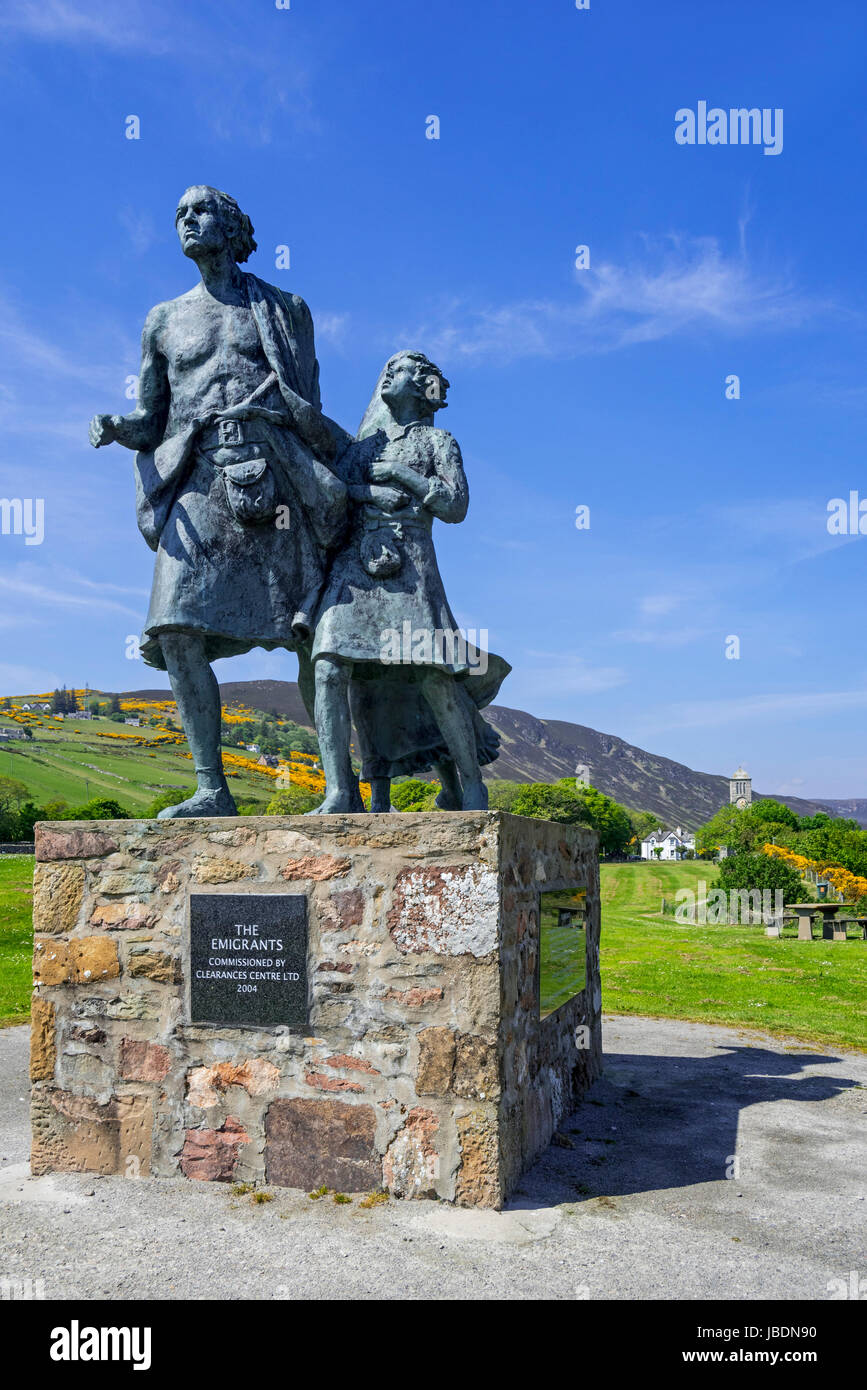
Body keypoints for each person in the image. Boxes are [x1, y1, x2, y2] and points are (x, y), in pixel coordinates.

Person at [89, 186, 345, 817]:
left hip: (275, 477)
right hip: (198, 479)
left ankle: (341, 789)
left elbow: (307, 401)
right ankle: (212, 788)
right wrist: (121, 427)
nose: (186, 221)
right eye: (178, 215)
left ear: (232, 226)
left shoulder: (284, 308)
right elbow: (155, 418)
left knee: (310, 634)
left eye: (199, 211)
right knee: (175, 628)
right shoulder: (162, 319)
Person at [309, 350, 510, 813]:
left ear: (420, 386)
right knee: (331, 667)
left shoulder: (439, 443)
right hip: (357, 563)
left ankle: (472, 784)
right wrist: (367, 491)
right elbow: (336, 494)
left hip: (412, 560)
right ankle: (341, 791)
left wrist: (401, 476)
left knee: (432, 672)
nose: (385, 377)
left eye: (396, 371)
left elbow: (456, 507)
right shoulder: (361, 448)